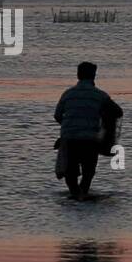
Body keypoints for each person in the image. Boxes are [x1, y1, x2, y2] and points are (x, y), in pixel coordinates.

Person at [54, 62, 123, 200]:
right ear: (94, 75)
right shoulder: (100, 96)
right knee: (88, 171)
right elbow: (117, 111)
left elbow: (57, 115)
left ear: (78, 75)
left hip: (70, 138)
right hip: (90, 140)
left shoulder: (68, 94)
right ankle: (83, 194)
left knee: (70, 172)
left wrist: (71, 126)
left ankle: (75, 195)